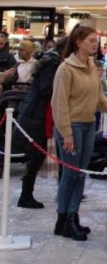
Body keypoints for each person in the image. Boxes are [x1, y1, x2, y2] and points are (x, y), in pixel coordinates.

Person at [51, 26, 107, 241]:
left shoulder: (92, 66)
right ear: (78, 42)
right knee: (71, 174)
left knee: (80, 172)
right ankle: (64, 219)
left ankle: (71, 217)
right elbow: (59, 103)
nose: (96, 44)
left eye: (97, 40)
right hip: (72, 127)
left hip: (89, 125)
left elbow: (98, 97)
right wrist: (66, 133)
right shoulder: (66, 69)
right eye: (91, 40)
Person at [15, 38, 63, 209]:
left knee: (37, 156)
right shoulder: (53, 63)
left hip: (38, 113)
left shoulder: (50, 60)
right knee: (36, 156)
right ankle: (26, 195)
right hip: (37, 115)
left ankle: (27, 194)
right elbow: (45, 89)